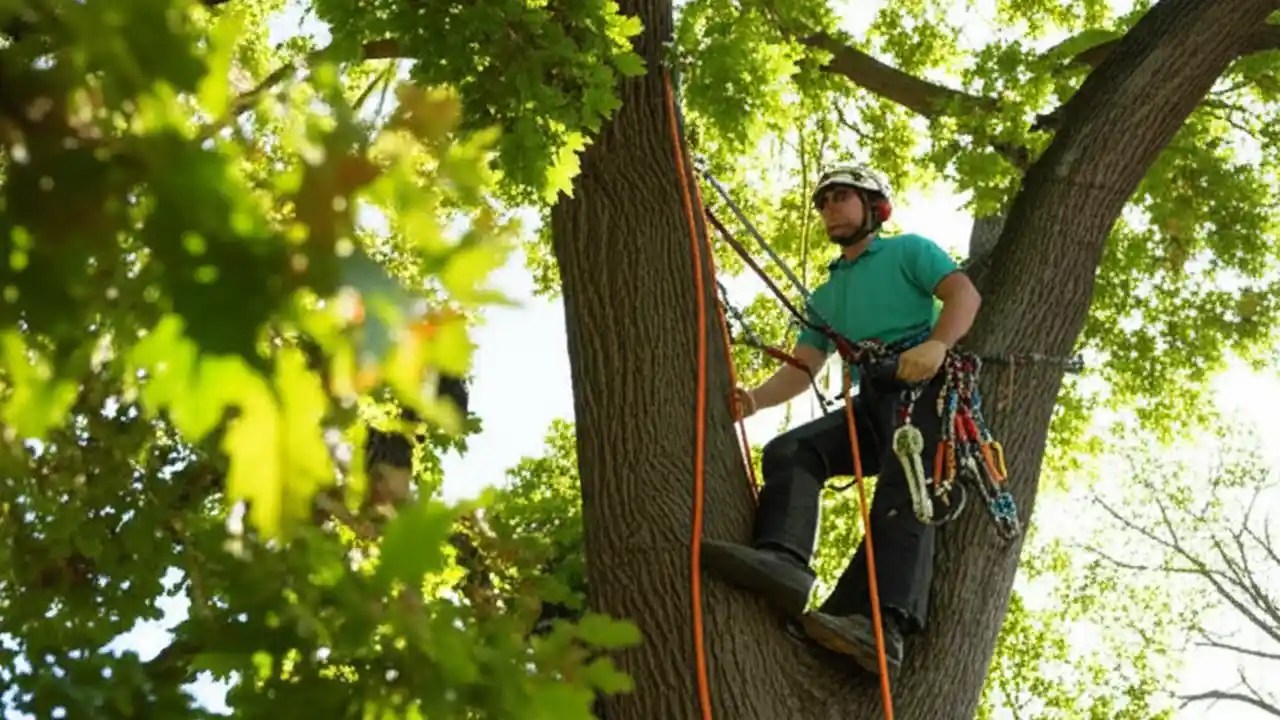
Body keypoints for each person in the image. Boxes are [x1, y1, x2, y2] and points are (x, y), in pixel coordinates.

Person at [701, 163, 983, 675]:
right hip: (871, 397)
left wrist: (937, 345)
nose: (830, 206)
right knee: (791, 451)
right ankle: (785, 561)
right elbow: (804, 367)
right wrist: (754, 402)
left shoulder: (907, 251)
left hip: (920, 384)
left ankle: (881, 626)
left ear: (874, 206)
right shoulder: (824, 298)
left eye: (841, 196)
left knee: (905, 486)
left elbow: (964, 295)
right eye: (824, 200)